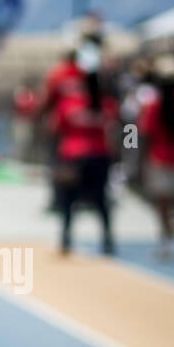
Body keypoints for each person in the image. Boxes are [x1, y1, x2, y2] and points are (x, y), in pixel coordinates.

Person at [50, 42, 117, 255]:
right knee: (100, 198)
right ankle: (107, 239)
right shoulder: (107, 104)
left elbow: (54, 126)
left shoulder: (69, 103)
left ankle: (66, 239)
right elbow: (120, 129)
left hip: (73, 155)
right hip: (99, 155)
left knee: (69, 199)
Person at [138, 53, 174, 259]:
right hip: (171, 160)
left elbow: (140, 132)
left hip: (160, 160)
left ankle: (166, 242)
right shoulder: (154, 103)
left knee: (163, 206)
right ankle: (167, 239)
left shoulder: (151, 104)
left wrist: (136, 158)